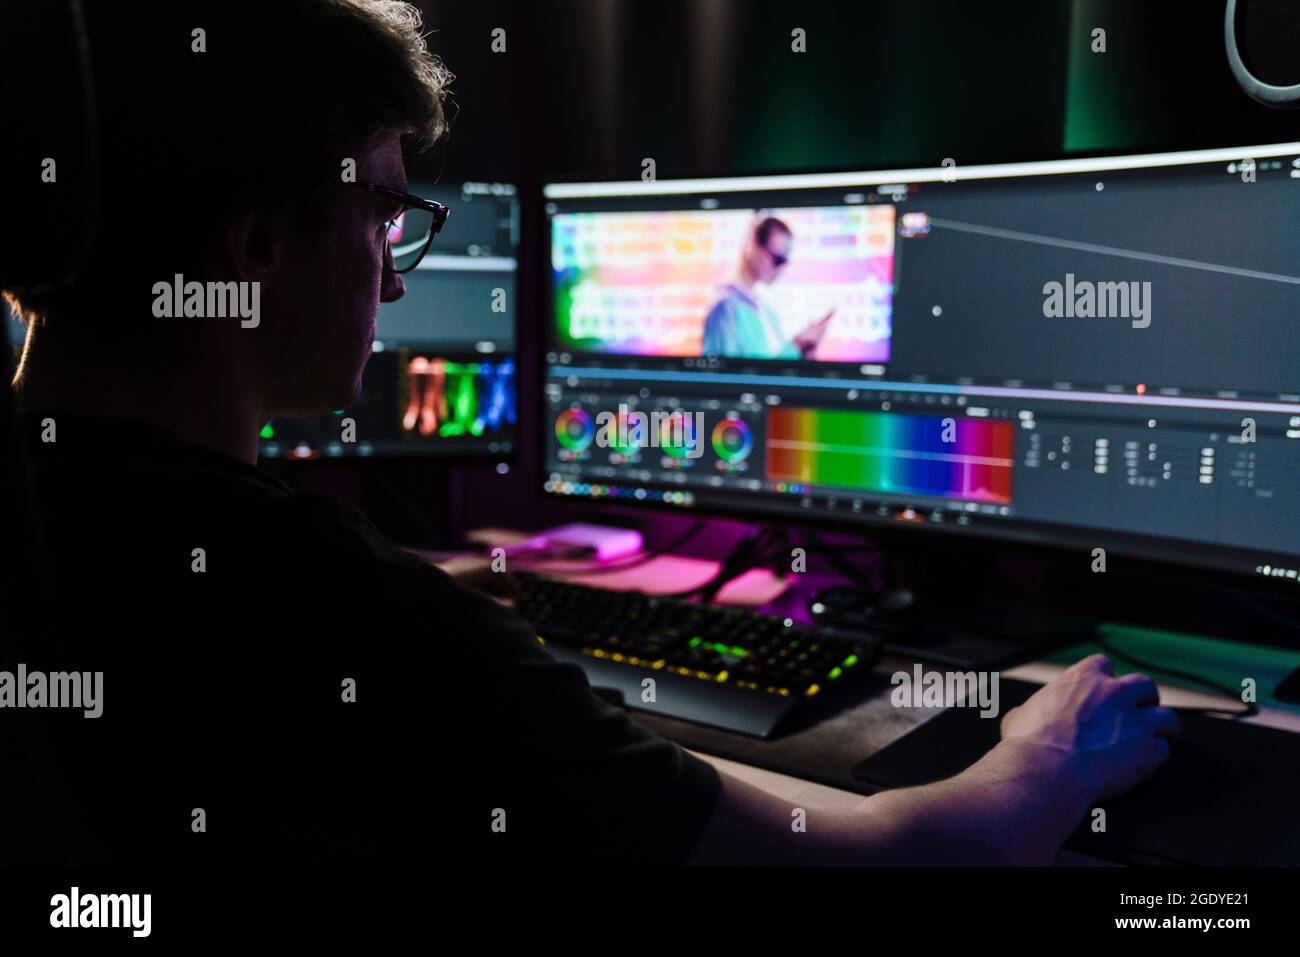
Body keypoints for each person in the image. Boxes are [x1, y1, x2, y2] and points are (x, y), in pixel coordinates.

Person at [2, 0, 1177, 867]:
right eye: (383, 213)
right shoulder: (359, 617)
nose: (396, 280)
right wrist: (1050, 751)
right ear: (256, 247)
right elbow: (878, 861)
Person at [702, 216, 835, 359]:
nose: (781, 269)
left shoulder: (766, 310)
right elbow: (729, 376)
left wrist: (804, 352)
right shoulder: (725, 308)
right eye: (778, 260)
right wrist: (797, 344)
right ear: (754, 247)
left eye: (785, 262)